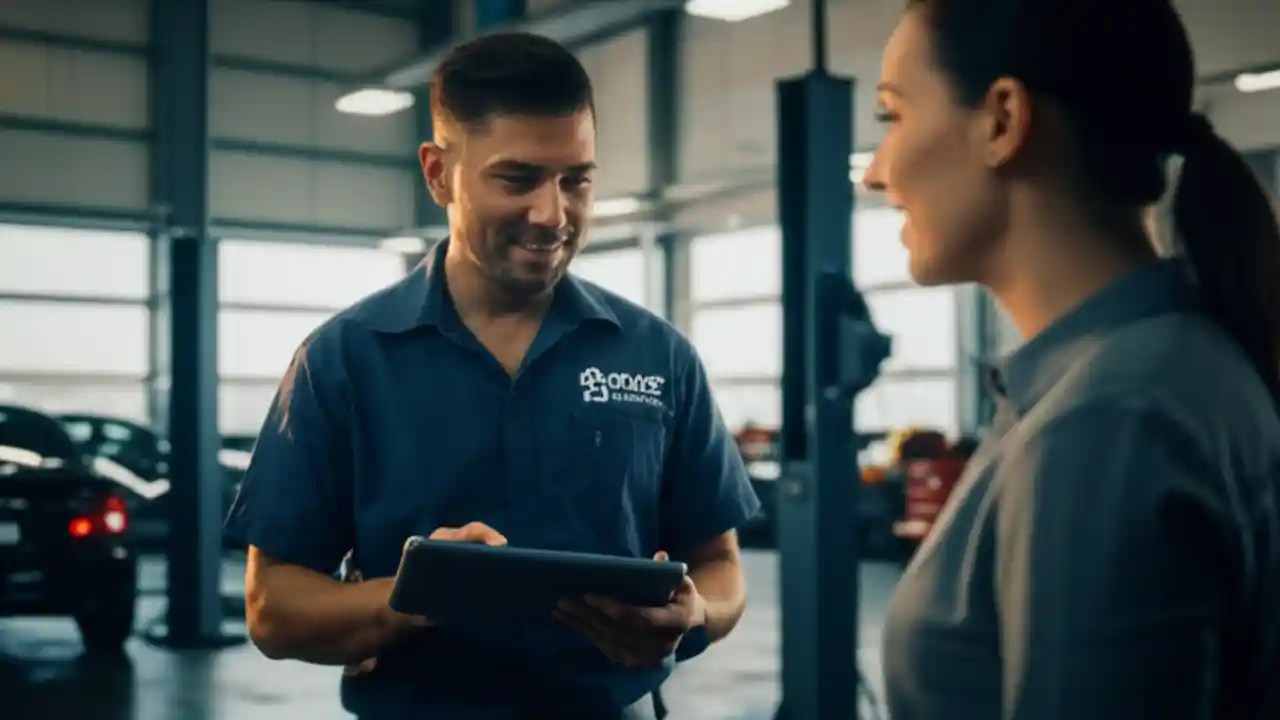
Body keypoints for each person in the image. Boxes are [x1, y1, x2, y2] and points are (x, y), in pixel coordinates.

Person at [225, 31, 761, 719]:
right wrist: (414, 596)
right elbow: (273, 607)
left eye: (577, 180)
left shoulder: (658, 357)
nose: (552, 214)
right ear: (438, 173)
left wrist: (694, 616)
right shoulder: (344, 360)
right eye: (518, 178)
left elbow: (721, 566)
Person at [862, 0, 1280, 718]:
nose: (873, 172)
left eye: (892, 117)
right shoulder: (1149, 372)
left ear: (1002, 120)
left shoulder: (1110, 421)